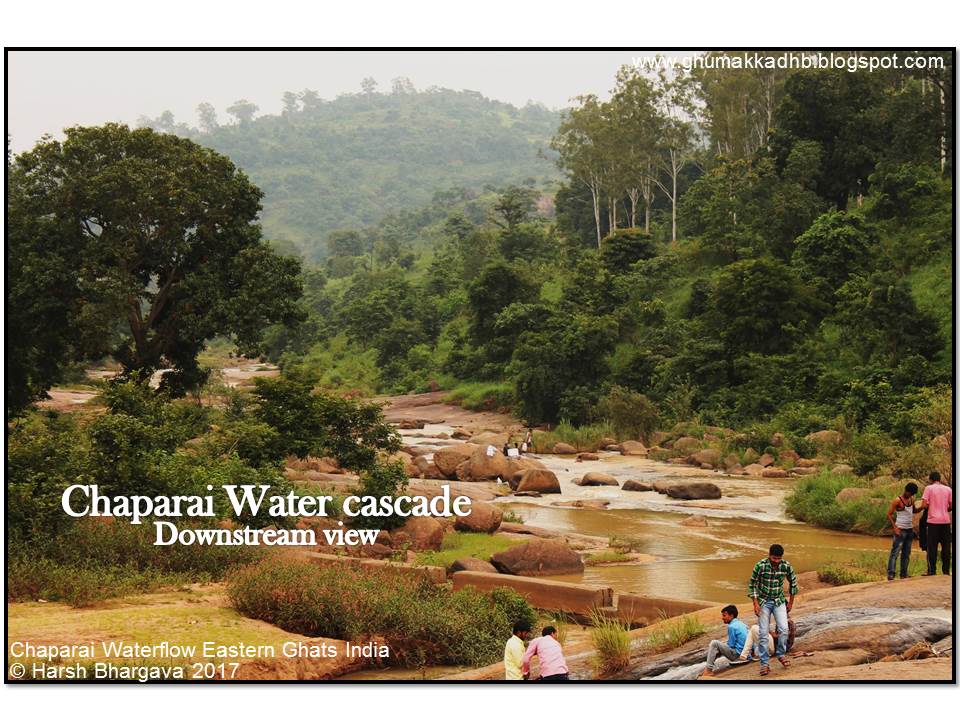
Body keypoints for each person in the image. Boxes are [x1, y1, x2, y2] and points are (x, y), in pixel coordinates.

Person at [748, 543, 798, 676]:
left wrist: (791, 603)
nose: (776, 561)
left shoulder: (786, 566)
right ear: (769, 555)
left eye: (778, 559)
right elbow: (752, 584)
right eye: (774, 558)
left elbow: (793, 583)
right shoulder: (760, 565)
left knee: (784, 629)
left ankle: (781, 654)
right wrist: (755, 604)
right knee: (763, 634)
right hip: (763, 601)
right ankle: (764, 663)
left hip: (779, 601)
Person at [915, 471, 952, 576]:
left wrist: (928, 507)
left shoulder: (929, 488)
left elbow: (924, 505)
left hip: (933, 522)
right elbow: (951, 505)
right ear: (940, 479)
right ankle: (946, 571)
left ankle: (932, 571)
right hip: (945, 521)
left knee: (932, 548)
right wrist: (943, 509)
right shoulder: (948, 489)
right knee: (946, 548)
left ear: (931, 480)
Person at [699, 605, 748, 677]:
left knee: (714, 643)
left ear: (731, 615)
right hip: (746, 654)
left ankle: (708, 670)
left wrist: (720, 649)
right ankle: (708, 669)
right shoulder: (742, 624)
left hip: (738, 656)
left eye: (724, 615)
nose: (722, 618)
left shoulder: (732, 626)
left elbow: (731, 645)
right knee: (718, 646)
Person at [886, 482, 919, 580]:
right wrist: (895, 527)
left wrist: (922, 507)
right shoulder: (897, 500)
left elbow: (914, 511)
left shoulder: (911, 499)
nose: (911, 495)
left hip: (909, 530)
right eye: (910, 493)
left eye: (912, 494)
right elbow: (889, 514)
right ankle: (891, 574)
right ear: (906, 490)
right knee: (895, 552)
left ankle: (903, 574)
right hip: (900, 530)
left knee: (906, 553)